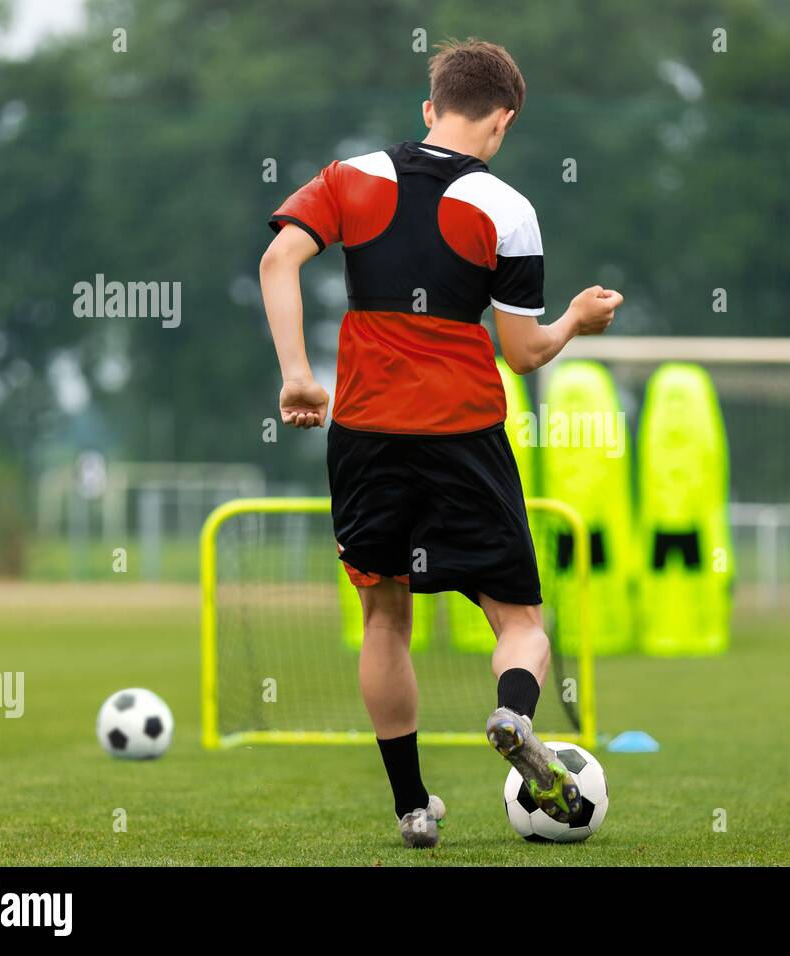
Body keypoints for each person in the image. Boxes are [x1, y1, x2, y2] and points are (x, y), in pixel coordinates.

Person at [258, 38, 622, 848]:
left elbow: (278, 258)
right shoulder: (509, 208)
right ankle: (513, 714)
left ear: (430, 108)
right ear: (503, 121)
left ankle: (413, 807)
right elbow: (524, 355)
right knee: (519, 620)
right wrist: (578, 319)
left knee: (384, 618)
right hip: (462, 434)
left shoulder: (348, 177)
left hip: (362, 432)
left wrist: (297, 375)